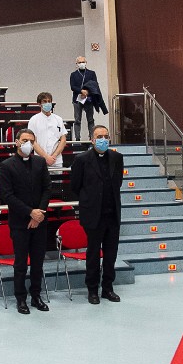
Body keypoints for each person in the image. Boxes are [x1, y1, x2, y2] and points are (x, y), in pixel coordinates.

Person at [0, 129, 52, 315]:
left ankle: (36, 295)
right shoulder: (7, 165)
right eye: (24, 140)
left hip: (40, 222)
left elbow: (47, 189)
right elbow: (8, 195)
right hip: (20, 222)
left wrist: (39, 214)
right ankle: (21, 298)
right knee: (21, 263)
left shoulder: (40, 162)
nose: (27, 143)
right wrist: (30, 213)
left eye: (31, 140)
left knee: (38, 262)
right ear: (16, 142)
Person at [71, 124, 123, 304]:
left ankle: (108, 288)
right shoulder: (82, 159)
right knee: (93, 254)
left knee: (111, 254)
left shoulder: (117, 157)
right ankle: (92, 289)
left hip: (112, 215)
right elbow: (75, 186)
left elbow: (118, 182)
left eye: (106, 136)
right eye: (99, 136)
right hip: (93, 215)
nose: (103, 140)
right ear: (92, 139)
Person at [69, 57, 106, 140]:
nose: (81, 63)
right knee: (77, 120)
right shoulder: (73, 75)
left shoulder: (91, 73)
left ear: (86, 62)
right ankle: (77, 138)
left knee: (90, 119)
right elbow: (72, 86)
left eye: (83, 62)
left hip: (89, 99)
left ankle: (92, 137)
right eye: (79, 62)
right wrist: (81, 91)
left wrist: (87, 92)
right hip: (77, 99)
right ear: (76, 64)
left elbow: (94, 84)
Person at [27, 92, 67, 168]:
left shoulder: (58, 119)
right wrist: (46, 157)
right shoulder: (34, 120)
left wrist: (54, 155)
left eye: (49, 101)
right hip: (39, 159)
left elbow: (63, 140)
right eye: (45, 101)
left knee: (57, 179)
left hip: (56, 160)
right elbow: (33, 141)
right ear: (39, 104)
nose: (47, 103)